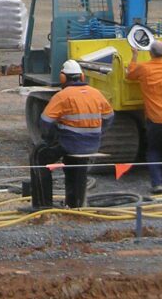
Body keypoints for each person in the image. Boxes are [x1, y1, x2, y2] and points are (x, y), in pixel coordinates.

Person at [36, 59, 114, 208]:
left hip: (70, 143)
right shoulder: (96, 93)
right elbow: (109, 117)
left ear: (63, 78)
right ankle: (75, 203)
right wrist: (98, 132)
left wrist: (49, 139)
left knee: (40, 156)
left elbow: (45, 122)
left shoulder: (63, 96)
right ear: (82, 76)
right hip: (92, 144)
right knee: (77, 167)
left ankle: (43, 203)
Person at [126, 39, 162, 195]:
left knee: (154, 150)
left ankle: (157, 183)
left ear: (150, 53)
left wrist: (134, 56)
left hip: (156, 118)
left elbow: (129, 75)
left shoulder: (144, 68)